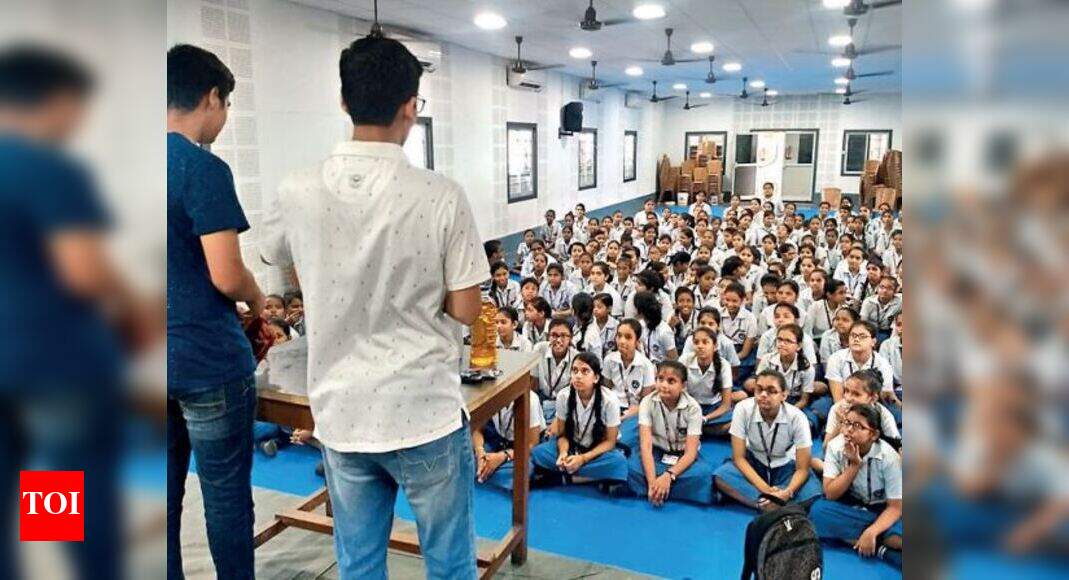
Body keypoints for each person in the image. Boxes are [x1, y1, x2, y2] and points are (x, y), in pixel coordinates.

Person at [259, 37, 487, 579]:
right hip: (424, 410)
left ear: (344, 101)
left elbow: (274, 256)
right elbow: (466, 308)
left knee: (359, 566)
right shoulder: (440, 194)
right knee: (450, 565)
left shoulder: (297, 188)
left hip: (342, 412)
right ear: (410, 106)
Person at [0, 43, 149, 580]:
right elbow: (81, 271)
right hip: (54, 363)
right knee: (63, 488)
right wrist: (133, 305)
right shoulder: (49, 169)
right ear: (60, 100)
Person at [168, 43, 264, 580]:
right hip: (205, 359)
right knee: (225, 499)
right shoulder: (201, 169)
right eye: (226, 105)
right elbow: (226, 275)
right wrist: (257, 297)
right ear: (211, 97)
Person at [809, 404, 903, 568]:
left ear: (873, 434)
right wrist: (854, 466)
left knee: (899, 537)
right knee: (818, 512)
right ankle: (881, 547)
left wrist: (872, 531)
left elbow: (895, 507)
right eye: (847, 423)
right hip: (855, 507)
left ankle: (870, 540)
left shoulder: (889, 457)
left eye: (857, 426)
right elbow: (830, 493)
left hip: (884, 509)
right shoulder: (835, 446)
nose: (848, 430)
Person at [713, 370, 822, 511]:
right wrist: (766, 490)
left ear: (784, 395)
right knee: (721, 476)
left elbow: (802, 468)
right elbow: (739, 458)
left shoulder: (798, 417)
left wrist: (787, 492)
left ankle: (767, 502)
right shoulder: (742, 409)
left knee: (813, 492)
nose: (763, 395)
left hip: (786, 466)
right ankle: (768, 506)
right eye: (759, 390)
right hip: (754, 462)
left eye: (771, 391)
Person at [531, 352, 629, 495]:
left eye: (585, 371)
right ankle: (592, 478)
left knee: (618, 461)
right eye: (575, 370)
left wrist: (582, 459)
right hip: (572, 446)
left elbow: (610, 442)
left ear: (596, 378)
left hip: (596, 451)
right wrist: (563, 453)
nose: (578, 376)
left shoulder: (610, 400)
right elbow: (562, 435)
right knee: (538, 453)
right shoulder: (563, 396)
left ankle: (565, 478)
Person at [629, 361, 715, 505]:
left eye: (671, 381)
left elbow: (691, 453)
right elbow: (646, 446)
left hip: (681, 456)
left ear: (683, 385)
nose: (664, 385)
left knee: (703, 474)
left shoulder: (693, 408)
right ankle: (662, 489)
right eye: (660, 379)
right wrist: (652, 482)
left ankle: (652, 488)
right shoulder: (647, 402)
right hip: (656, 452)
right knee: (630, 467)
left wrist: (669, 475)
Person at [471, 388, 545, 491]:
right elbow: (478, 429)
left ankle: (487, 472)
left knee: (523, 468)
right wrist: (480, 452)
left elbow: (533, 444)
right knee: (469, 457)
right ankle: (488, 470)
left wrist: (503, 457)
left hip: (523, 447)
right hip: (499, 440)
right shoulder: (490, 393)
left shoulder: (531, 398)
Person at [602, 319, 656, 449]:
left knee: (621, 440)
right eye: (619, 336)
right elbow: (606, 389)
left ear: (637, 341)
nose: (622, 341)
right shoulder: (609, 359)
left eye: (628, 337)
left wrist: (635, 410)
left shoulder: (646, 365)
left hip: (635, 410)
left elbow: (646, 400)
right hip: (612, 406)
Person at [679, 327, 736, 436]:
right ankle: (703, 430)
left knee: (732, 425)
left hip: (713, 409)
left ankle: (698, 430)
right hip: (690, 406)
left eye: (705, 342)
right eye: (696, 342)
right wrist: (693, 414)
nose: (700, 346)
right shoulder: (684, 360)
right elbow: (679, 394)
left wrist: (705, 418)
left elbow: (726, 405)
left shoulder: (724, 365)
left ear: (715, 346)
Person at [532, 318, 579, 421]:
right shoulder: (539, 349)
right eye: (554, 335)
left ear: (570, 338)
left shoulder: (576, 358)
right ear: (548, 336)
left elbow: (574, 392)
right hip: (542, 398)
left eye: (563, 336)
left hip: (565, 403)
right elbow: (533, 384)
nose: (558, 340)